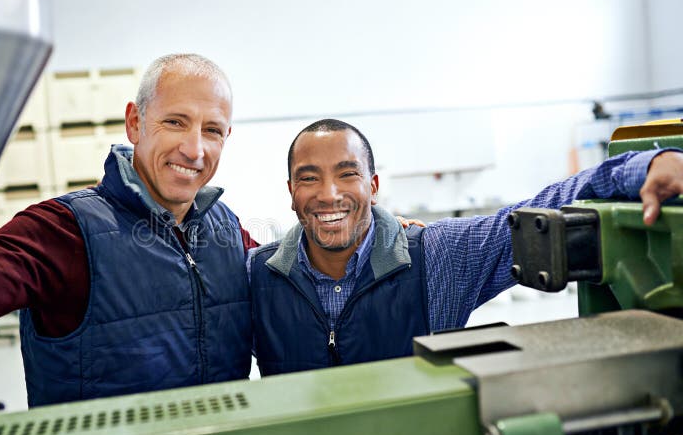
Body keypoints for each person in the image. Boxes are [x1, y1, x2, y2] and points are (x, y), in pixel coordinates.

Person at [249, 118, 683, 376]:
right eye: (309, 178)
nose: (329, 194)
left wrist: (644, 166)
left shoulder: (437, 257)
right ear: (290, 191)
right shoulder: (254, 277)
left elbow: (537, 210)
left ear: (374, 186)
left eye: (347, 174)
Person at [0, 54, 257, 406]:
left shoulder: (227, 229)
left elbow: (299, 290)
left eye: (212, 130)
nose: (194, 149)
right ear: (135, 123)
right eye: (174, 122)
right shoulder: (63, 231)